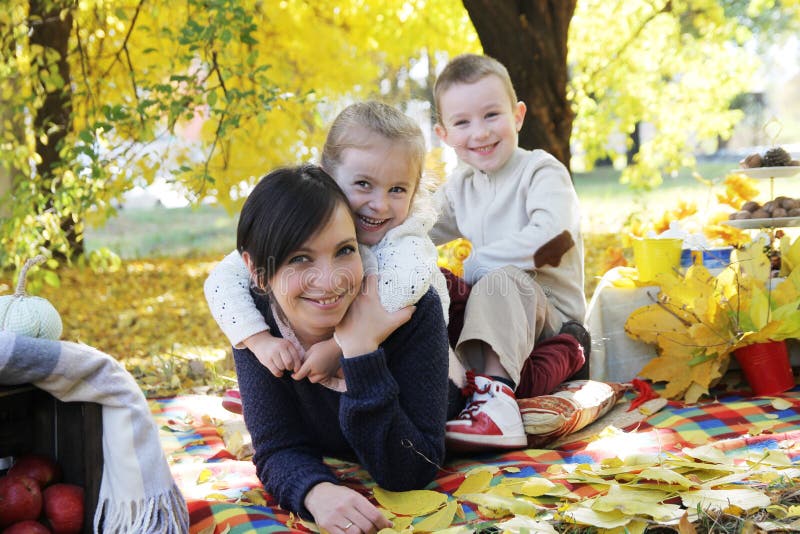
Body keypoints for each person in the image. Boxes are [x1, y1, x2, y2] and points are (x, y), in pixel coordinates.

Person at [232, 165, 450, 533]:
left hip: (445, 388)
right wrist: (316, 492)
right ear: (257, 270)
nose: (330, 280)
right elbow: (276, 447)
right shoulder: (256, 326)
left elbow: (411, 470)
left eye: (344, 250)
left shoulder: (409, 309)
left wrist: (360, 350)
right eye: (300, 258)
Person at [205, 102, 453, 402]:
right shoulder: (305, 225)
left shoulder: (406, 240)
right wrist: (259, 342)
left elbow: (392, 299)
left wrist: (338, 348)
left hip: (415, 363)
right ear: (328, 178)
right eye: (364, 184)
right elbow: (222, 280)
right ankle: (266, 393)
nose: (381, 204)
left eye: (398, 190)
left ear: (414, 191)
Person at [430, 53, 590, 452]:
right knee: (423, 286)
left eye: (491, 115)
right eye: (462, 122)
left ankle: (497, 402)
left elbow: (556, 236)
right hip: (495, 313)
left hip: (551, 318)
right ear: (444, 134)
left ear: (517, 116)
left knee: (500, 280)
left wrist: (483, 261)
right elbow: (415, 227)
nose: (479, 132)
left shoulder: (540, 171)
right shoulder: (461, 185)